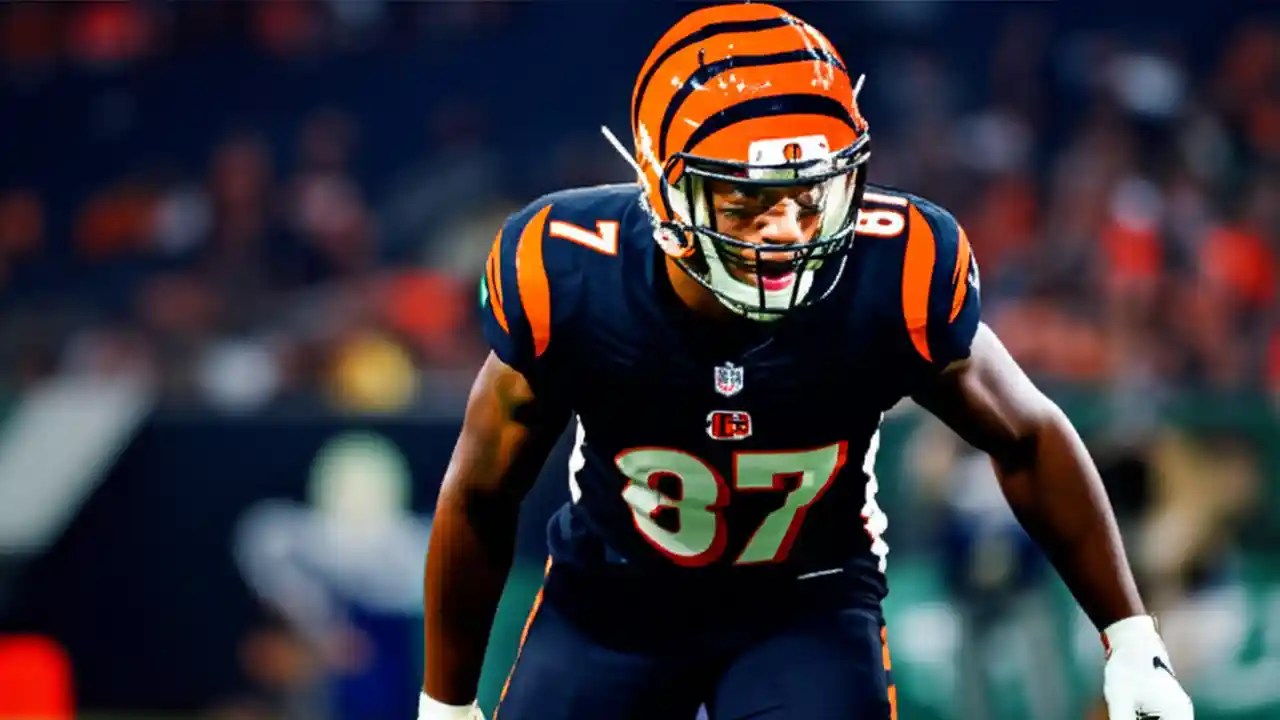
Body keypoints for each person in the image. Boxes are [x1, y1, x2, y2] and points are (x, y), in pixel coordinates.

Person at [419, 3, 1194, 719]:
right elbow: (483, 487)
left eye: (811, 193)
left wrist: (1131, 637)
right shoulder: (571, 273)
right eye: (748, 201)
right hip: (613, 600)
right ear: (664, 190)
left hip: (804, 605)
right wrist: (445, 702)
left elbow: (1026, 434)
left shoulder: (895, 269)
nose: (788, 227)